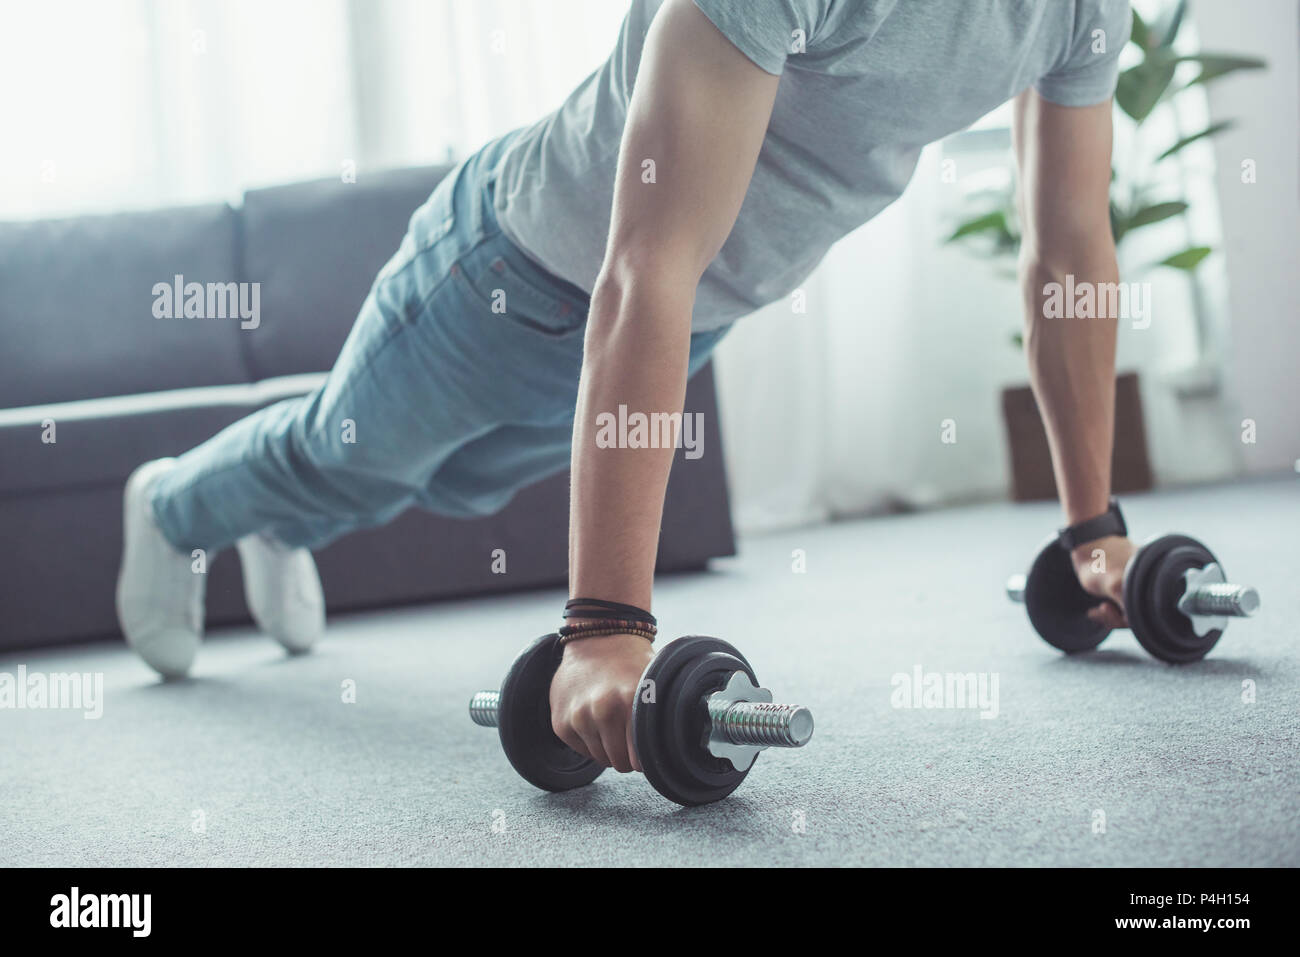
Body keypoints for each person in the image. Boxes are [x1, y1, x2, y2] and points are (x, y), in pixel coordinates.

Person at [117, 0, 1136, 774]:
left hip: (684, 318)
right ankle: (171, 506)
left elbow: (1070, 251)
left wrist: (1094, 528)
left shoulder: (1082, 11)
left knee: (452, 485)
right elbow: (646, 259)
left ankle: (285, 525)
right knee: (348, 456)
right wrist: (605, 628)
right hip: (511, 275)